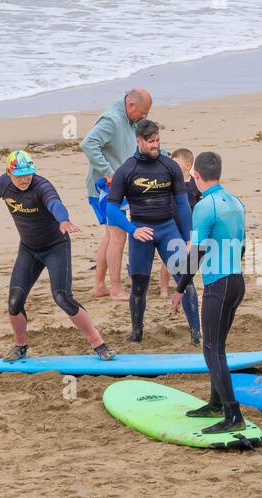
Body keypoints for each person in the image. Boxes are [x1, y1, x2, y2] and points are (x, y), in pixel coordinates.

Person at [0, 151, 116, 362]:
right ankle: (20, 346)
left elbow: (55, 203)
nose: (25, 179)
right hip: (28, 249)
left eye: (28, 174)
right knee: (14, 302)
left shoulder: (41, 186)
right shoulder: (4, 183)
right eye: (20, 175)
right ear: (9, 173)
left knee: (62, 297)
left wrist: (63, 220)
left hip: (56, 246)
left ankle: (98, 343)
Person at [170, 152, 248, 433]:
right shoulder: (237, 203)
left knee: (211, 349)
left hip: (219, 285)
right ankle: (216, 403)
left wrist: (179, 289)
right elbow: (241, 247)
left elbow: (196, 253)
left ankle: (232, 415)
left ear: (196, 176)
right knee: (219, 347)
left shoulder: (204, 206)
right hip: (237, 282)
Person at [104, 120, 201, 344]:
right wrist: (132, 230)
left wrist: (188, 238)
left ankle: (197, 334)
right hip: (141, 231)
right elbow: (111, 209)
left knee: (185, 281)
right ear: (138, 141)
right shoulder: (126, 170)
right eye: (150, 142)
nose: (155, 145)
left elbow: (183, 205)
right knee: (139, 286)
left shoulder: (170, 167)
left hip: (168, 229)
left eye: (157, 140)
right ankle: (136, 333)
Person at [81, 88, 153, 300]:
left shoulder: (130, 121)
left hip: (118, 189)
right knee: (119, 235)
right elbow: (88, 144)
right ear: (130, 106)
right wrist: (109, 173)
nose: (144, 117)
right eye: (143, 112)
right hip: (103, 189)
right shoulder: (112, 120)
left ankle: (99, 287)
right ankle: (115, 289)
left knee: (111, 235)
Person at [159, 148, 202, 298]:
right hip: (172, 226)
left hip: (189, 228)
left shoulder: (195, 184)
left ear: (188, 165)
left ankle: (184, 284)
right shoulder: (168, 183)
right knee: (168, 260)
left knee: (190, 258)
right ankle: (163, 288)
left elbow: (199, 204)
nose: (172, 167)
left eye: (176, 164)